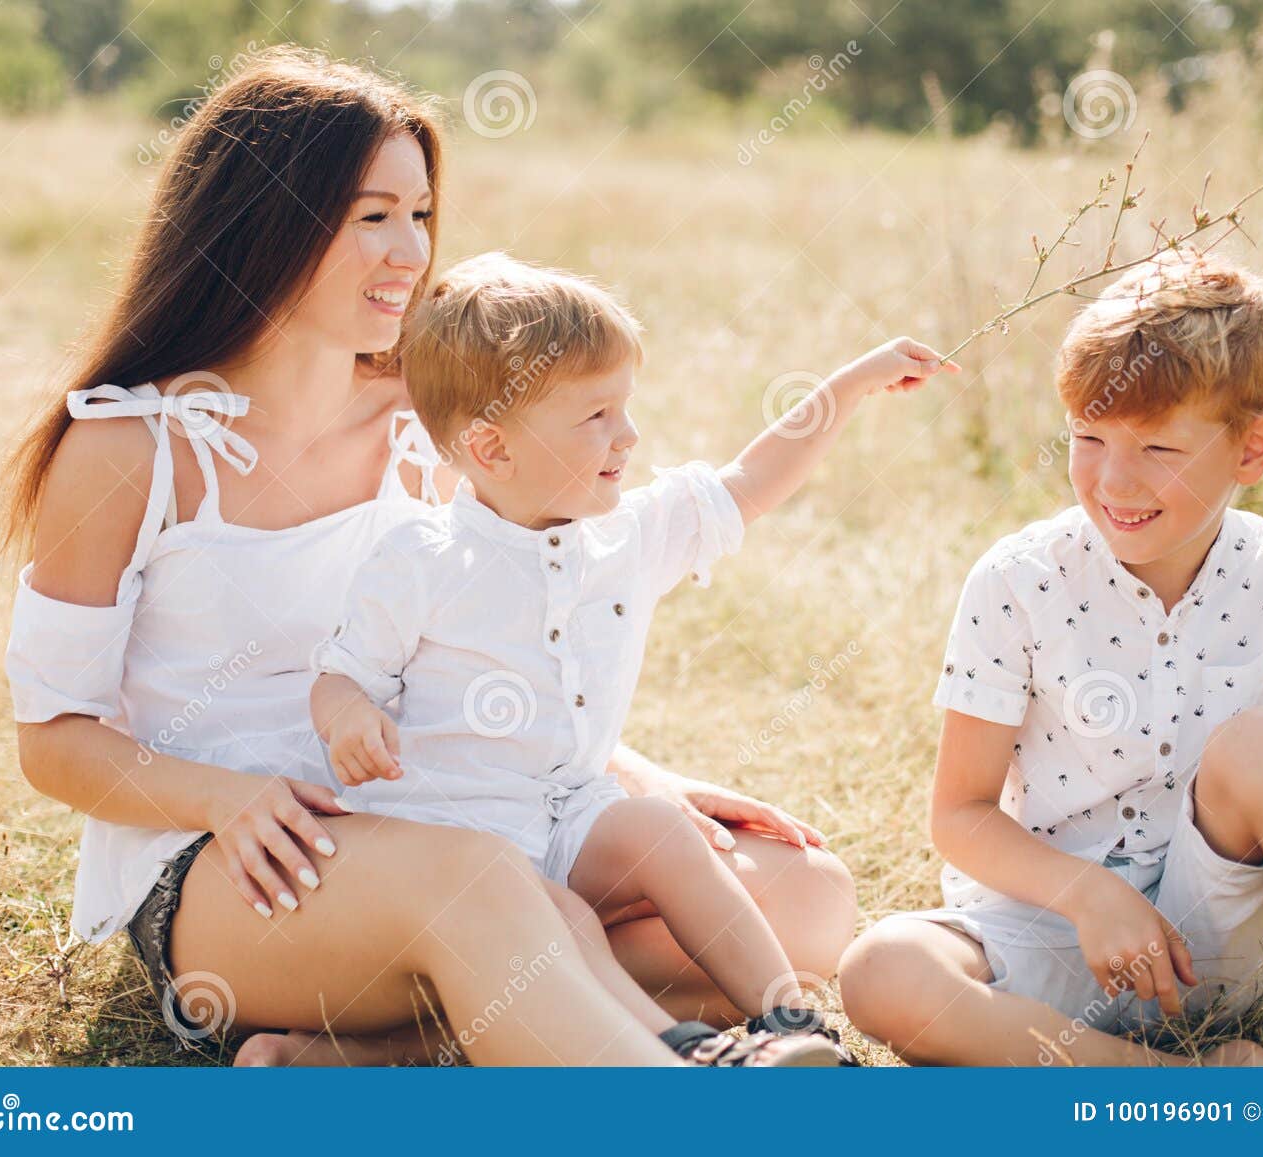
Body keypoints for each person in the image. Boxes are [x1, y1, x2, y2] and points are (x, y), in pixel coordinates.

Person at [0, 46, 854, 1067]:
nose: (410, 251)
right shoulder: (130, 446)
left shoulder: (436, 421)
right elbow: (52, 740)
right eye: (372, 216)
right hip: (244, 866)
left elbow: (498, 630)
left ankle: (361, 1057)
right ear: (262, 220)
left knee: (803, 893)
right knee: (479, 883)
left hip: (453, 809)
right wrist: (223, 797)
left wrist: (636, 780)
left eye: (420, 213)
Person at [310, 253, 954, 1063]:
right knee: (565, 925)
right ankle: (681, 1050)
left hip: (570, 817)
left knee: (660, 829)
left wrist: (852, 384)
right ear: (491, 446)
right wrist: (349, 717)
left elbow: (752, 478)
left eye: (625, 406)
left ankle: (793, 1022)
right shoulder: (422, 559)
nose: (629, 434)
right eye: (596, 415)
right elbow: (342, 677)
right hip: (458, 846)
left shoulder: (625, 536)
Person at [838, 250, 1263, 1067]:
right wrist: (1088, 893)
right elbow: (960, 813)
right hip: (1054, 939)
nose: (1115, 480)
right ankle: (1181, 1084)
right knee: (881, 969)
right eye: (1088, 437)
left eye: (1159, 448)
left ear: (1253, 448)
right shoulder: (1017, 581)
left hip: (1220, 944)